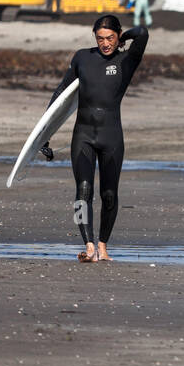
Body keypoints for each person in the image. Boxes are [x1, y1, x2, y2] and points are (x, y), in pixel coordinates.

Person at [47, 15, 149, 262]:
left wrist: (124, 38)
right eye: (100, 38)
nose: (105, 43)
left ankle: (103, 244)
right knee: (83, 191)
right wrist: (45, 135)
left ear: (118, 36)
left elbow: (143, 33)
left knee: (109, 194)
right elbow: (61, 92)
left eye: (110, 37)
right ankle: (89, 244)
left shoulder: (127, 59)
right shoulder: (82, 57)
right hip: (83, 135)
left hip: (111, 136)